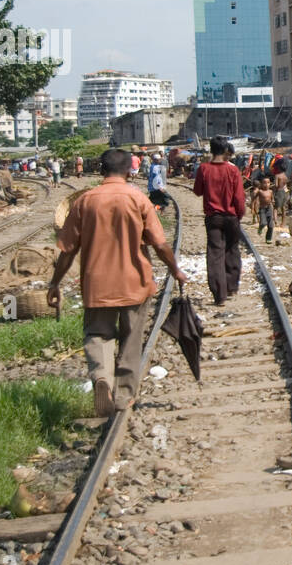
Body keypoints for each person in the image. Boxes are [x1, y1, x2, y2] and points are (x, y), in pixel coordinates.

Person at [48, 148, 188, 417]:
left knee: (98, 335)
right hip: (135, 282)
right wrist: (175, 270)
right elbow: (159, 243)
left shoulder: (84, 201)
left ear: (101, 170)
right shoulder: (137, 199)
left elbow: (67, 250)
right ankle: (123, 395)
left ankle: (101, 376)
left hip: (96, 284)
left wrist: (55, 283)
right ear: (129, 170)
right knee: (131, 339)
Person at [193, 135, 248, 306]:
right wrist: (239, 215)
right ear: (226, 151)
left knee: (215, 254)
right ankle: (231, 287)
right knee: (232, 250)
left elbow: (197, 191)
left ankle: (219, 295)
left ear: (211, 150)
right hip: (231, 216)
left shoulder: (204, 169)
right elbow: (239, 197)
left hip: (213, 218)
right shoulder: (232, 171)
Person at [253, 176, 276, 243]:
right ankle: (260, 228)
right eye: (264, 183)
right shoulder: (260, 191)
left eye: (268, 183)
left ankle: (268, 239)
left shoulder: (271, 191)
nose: (266, 184)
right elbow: (254, 199)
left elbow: (272, 199)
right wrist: (254, 207)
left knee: (271, 225)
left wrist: (273, 202)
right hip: (262, 209)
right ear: (261, 184)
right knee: (263, 223)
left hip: (269, 208)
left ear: (270, 183)